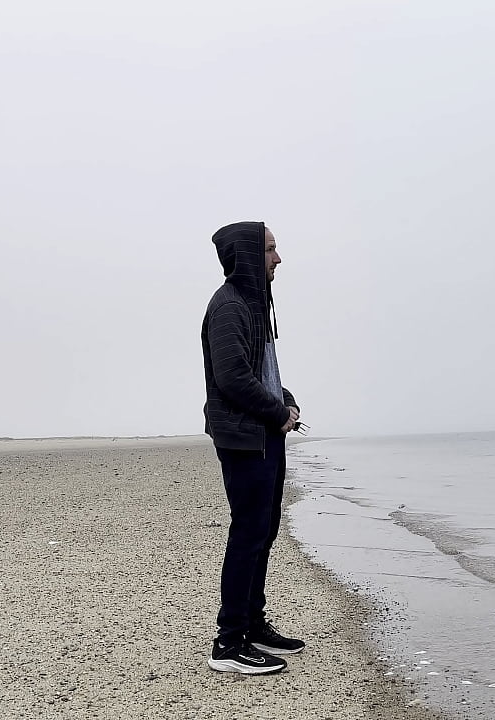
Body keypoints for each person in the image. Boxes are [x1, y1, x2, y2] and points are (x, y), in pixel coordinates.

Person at [200, 221, 306, 675]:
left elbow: (263, 374)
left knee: (264, 533)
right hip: (245, 438)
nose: (277, 259)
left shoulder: (253, 304)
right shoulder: (228, 307)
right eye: (269, 250)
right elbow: (233, 378)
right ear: (246, 255)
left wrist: (288, 400)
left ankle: (252, 623)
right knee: (247, 534)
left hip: (266, 435)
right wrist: (276, 412)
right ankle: (228, 644)